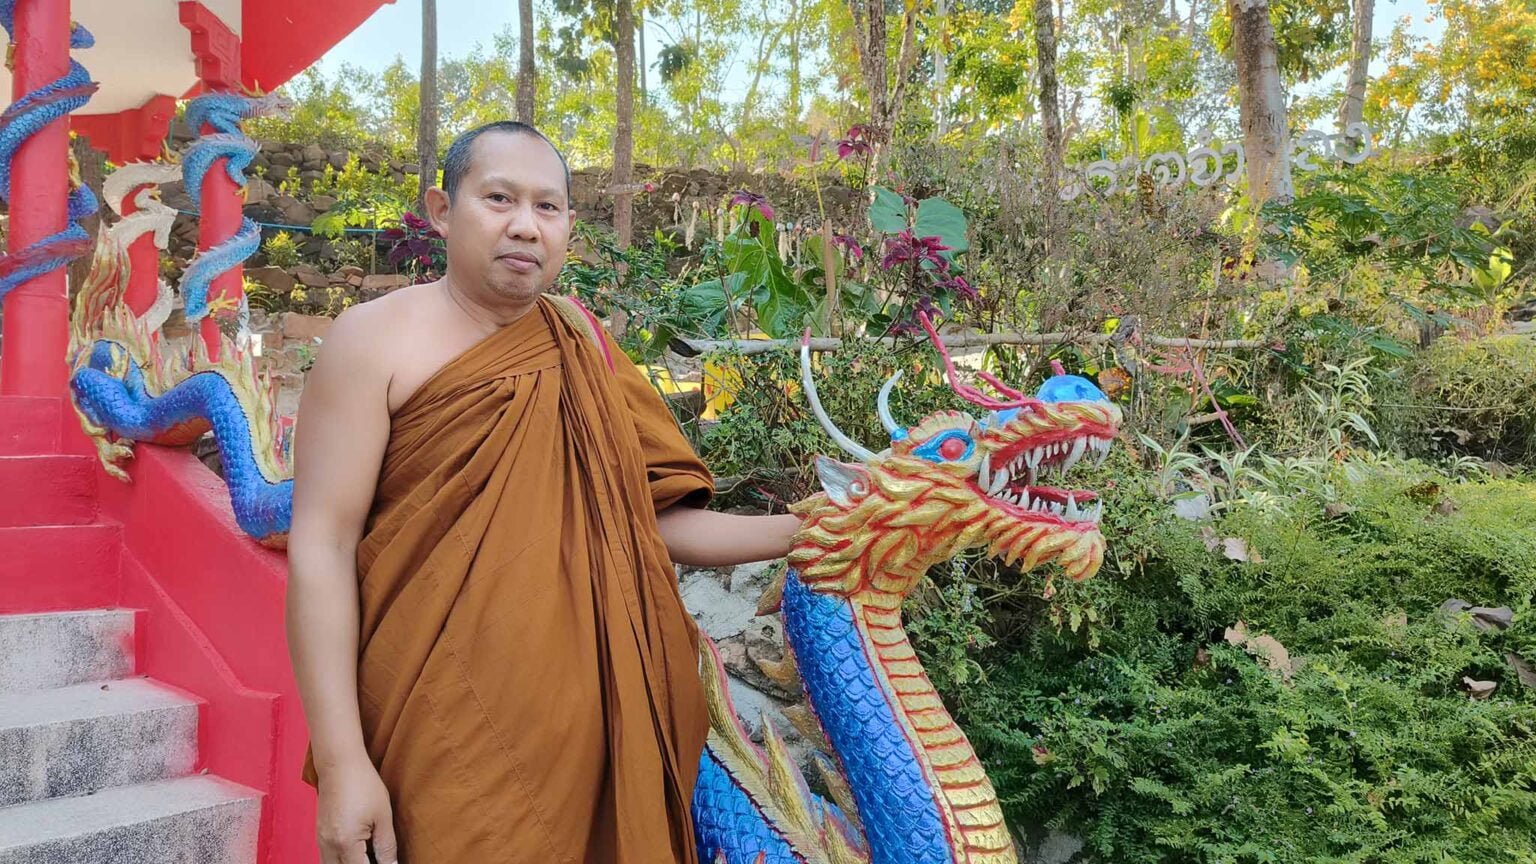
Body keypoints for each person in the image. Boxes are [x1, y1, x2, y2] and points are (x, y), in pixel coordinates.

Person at [285, 120, 802, 864]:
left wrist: (814, 526)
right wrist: (340, 762)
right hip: (442, 744)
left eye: (548, 207)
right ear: (442, 208)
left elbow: (658, 527)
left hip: (601, 747)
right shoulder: (371, 342)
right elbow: (322, 547)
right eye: (499, 198)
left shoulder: (583, 344)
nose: (525, 226)